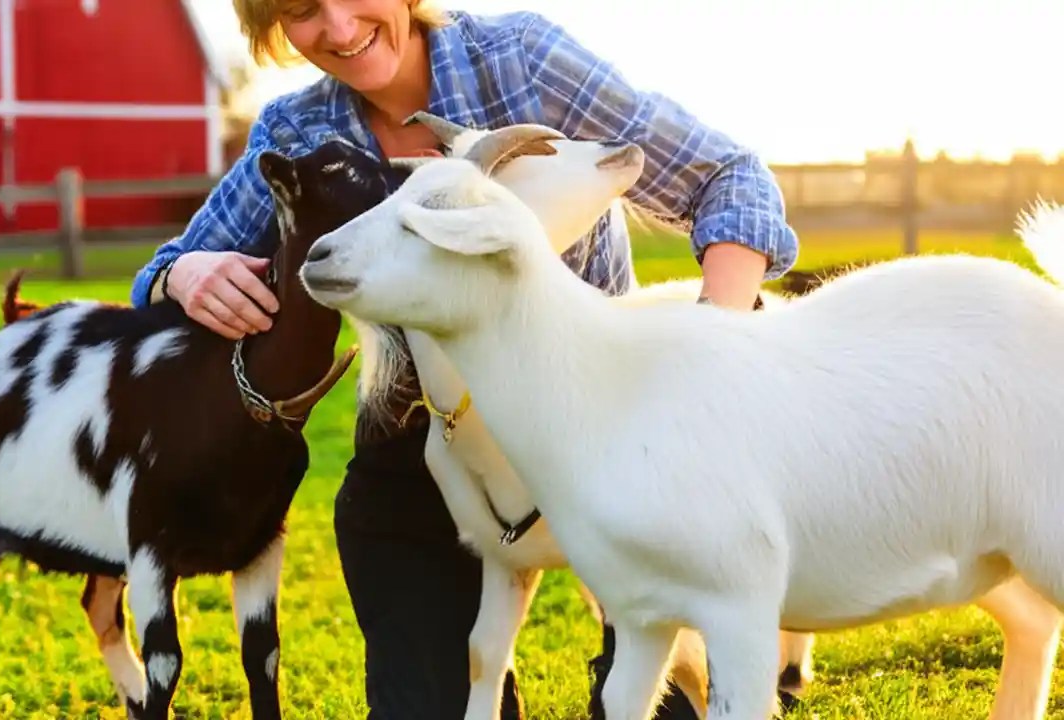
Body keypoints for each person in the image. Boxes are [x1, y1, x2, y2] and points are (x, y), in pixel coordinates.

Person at [129, 1, 799, 717]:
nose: (341, 27)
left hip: (605, 429)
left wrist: (709, 356)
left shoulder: (520, 60)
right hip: (424, 448)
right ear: (275, 28)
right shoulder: (299, 131)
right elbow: (164, 272)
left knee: (671, 699)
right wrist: (183, 273)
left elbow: (729, 178)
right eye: (301, 10)